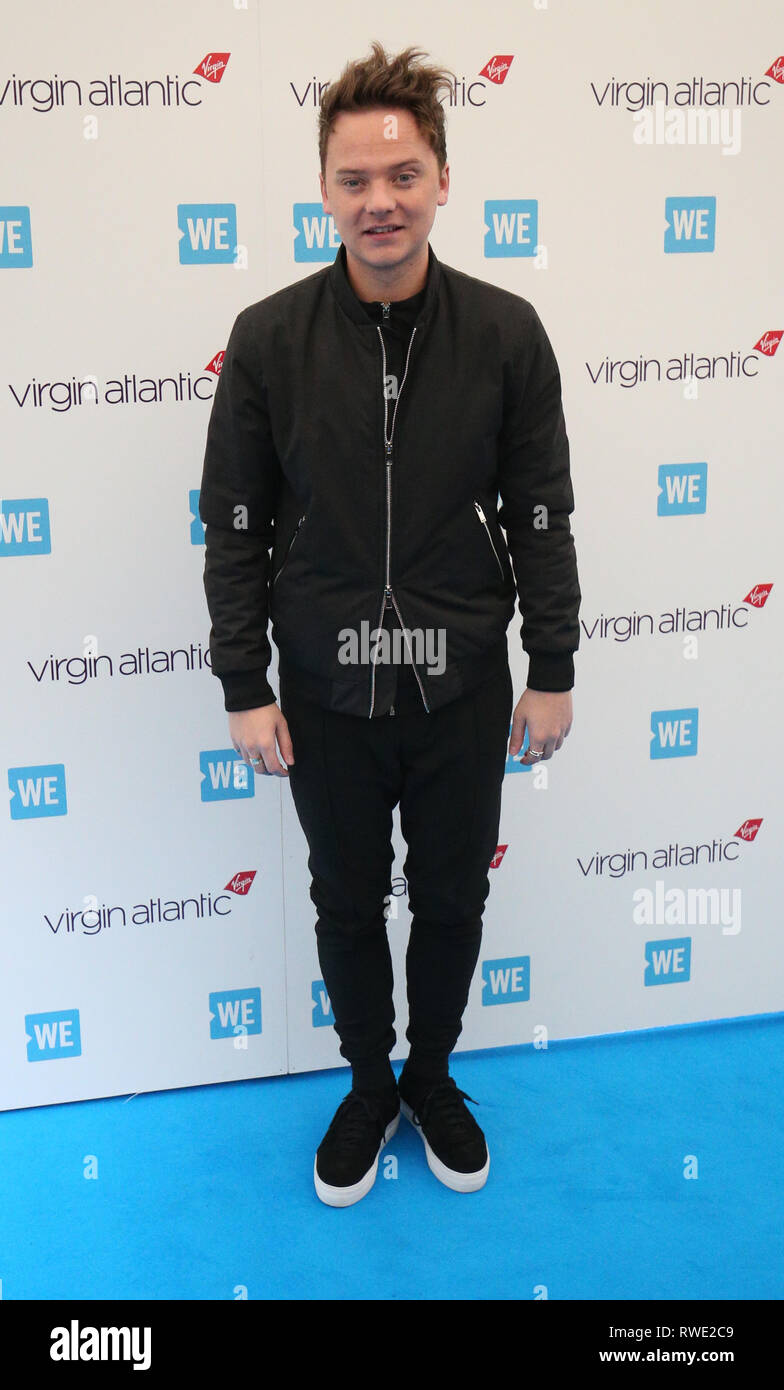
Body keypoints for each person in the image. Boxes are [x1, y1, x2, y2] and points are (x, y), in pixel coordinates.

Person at [198, 41, 580, 1207]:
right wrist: (244, 683)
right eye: (356, 179)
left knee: (455, 897)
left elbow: (542, 511)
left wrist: (551, 665)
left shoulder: (507, 332)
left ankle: (431, 1075)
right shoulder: (267, 338)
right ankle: (368, 1082)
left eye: (402, 175)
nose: (380, 200)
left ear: (442, 181)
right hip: (324, 688)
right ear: (324, 190)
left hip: (461, 684)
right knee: (345, 899)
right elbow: (237, 526)